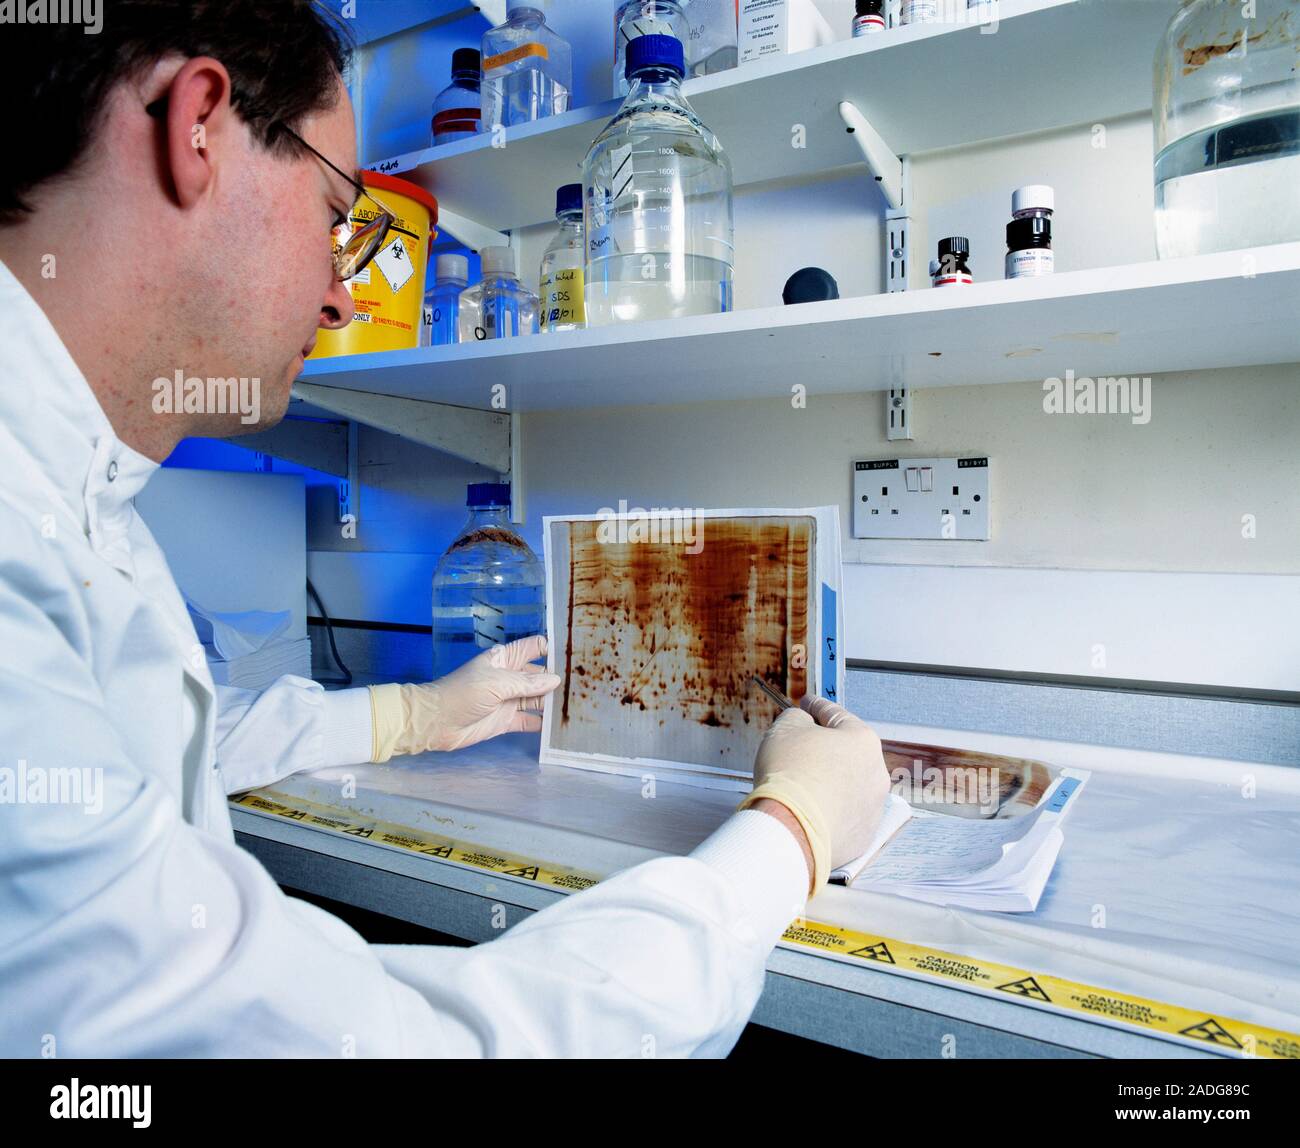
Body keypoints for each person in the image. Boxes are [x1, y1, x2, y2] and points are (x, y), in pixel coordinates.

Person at [0, 0, 889, 1057]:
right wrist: (792, 831)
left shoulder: (77, 504)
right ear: (197, 124)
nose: (341, 296)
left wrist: (417, 713)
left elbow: (158, 740)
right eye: (339, 219)